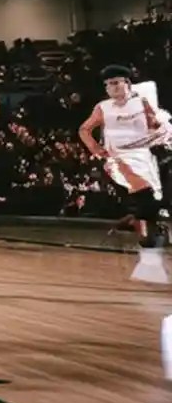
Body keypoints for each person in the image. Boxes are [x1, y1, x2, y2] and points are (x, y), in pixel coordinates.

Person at [78, 65, 170, 283]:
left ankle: (142, 228)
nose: (112, 87)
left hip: (144, 154)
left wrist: (159, 127)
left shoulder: (142, 101)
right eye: (108, 85)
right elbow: (84, 129)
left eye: (116, 83)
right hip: (118, 157)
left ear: (127, 83)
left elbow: (154, 124)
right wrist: (95, 148)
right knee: (144, 195)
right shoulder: (103, 107)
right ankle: (148, 249)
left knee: (152, 203)